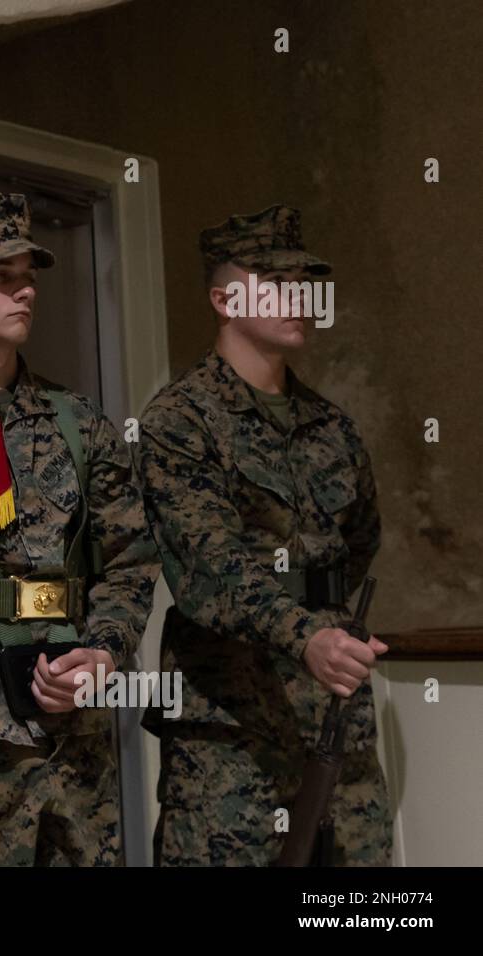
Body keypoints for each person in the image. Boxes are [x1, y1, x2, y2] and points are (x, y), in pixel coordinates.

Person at [137, 204, 392, 866]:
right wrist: (305, 633)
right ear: (224, 298)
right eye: (275, 281)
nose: (298, 297)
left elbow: (358, 543)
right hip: (232, 723)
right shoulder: (180, 420)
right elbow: (208, 565)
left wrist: (325, 627)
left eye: (304, 281)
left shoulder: (332, 426)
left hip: (334, 716)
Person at [0, 191, 156, 866]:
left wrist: (104, 652)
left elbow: (129, 562)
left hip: (75, 738)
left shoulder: (80, 423)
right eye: (0, 276)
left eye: (29, 275)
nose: (25, 292)